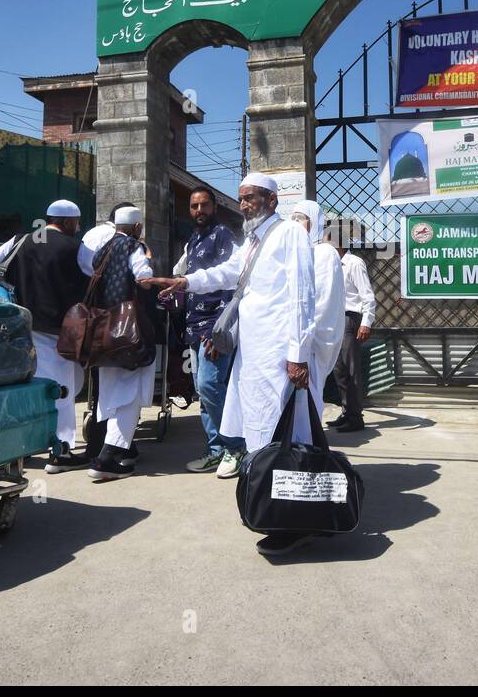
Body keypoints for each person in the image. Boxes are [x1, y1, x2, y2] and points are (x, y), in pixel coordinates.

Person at [142, 173, 316, 556]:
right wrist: (185, 282)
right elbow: (224, 274)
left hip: (279, 358)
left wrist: (298, 355)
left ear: (272, 200)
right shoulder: (251, 242)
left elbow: (303, 296)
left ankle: (294, 519)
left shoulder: (290, 234)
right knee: (260, 435)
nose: (244, 205)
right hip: (253, 358)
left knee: (283, 435)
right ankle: (274, 510)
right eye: (241, 199)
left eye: (251, 198)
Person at [0, 199, 92, 472]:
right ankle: (60, 451)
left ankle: (22, 447)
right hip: (58, 329)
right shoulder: (76, 247)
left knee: (26, 387)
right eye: (75, 222)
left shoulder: (21, 240)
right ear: (67, 222)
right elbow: (96, 272)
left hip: (20, 328)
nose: (76, 227)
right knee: (61, 388)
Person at [79, 203, 156, 482]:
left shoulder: (102, 250)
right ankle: (107, 458)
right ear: (137, 228)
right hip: (127, 333)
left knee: (110, 394)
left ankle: (110, 450)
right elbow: (144, 279)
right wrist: (147, 257)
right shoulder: (133, 247)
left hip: (102, 331)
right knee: (130, 395)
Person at [178, 186, 246, 478]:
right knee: (202, 391)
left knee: (210, 385)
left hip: (213, 325)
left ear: (214, 207)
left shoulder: (224, 236)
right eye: (194, 206)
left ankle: (236, 446)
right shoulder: (193, 239)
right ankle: (216, 450)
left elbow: (231, 284)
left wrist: (219, 330)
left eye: (204, 206)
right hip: (194, 324)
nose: (199, 211)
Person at [291, 200, 346, 430]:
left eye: (300, 219)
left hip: (314, 339)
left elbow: (322, 301)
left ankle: (308, 443)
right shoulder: (292, 251)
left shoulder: (325, 253)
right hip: (294, 337)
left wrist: (306, 337)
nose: (294, 224)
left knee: (309, 393)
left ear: (314, 223)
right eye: (291, 218)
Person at [327, 218, 377, 432]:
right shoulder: (329, 264)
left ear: (337, 243)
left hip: (350, 319)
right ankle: (347, 412)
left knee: (352, 369)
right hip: (334, 320)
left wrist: (366, 323)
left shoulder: (354, 263)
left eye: (326, 240)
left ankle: (356, 418)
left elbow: (367, 296)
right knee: (339, 370)